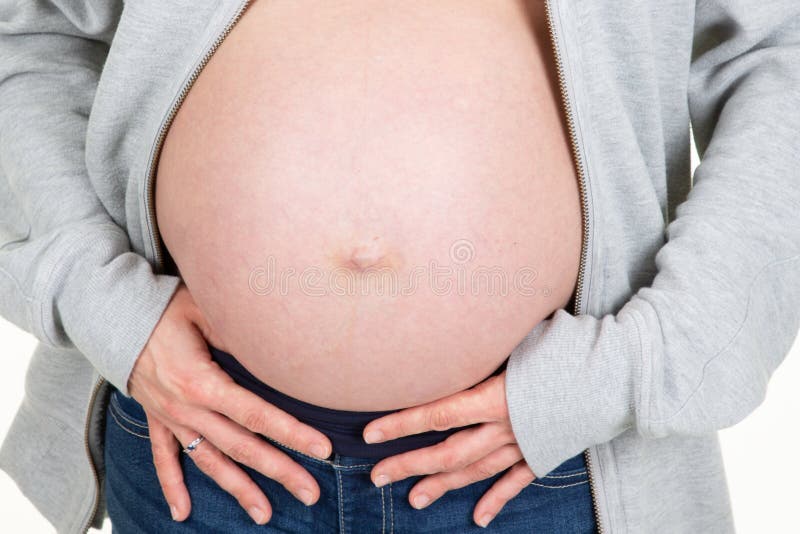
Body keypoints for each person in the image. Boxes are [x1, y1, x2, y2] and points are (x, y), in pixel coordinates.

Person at [0, 1, 798, 533]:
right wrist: (99, 299)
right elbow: (28, 30)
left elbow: (777, 59)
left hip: (556, 471)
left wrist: (639, 365)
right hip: (201, 445)